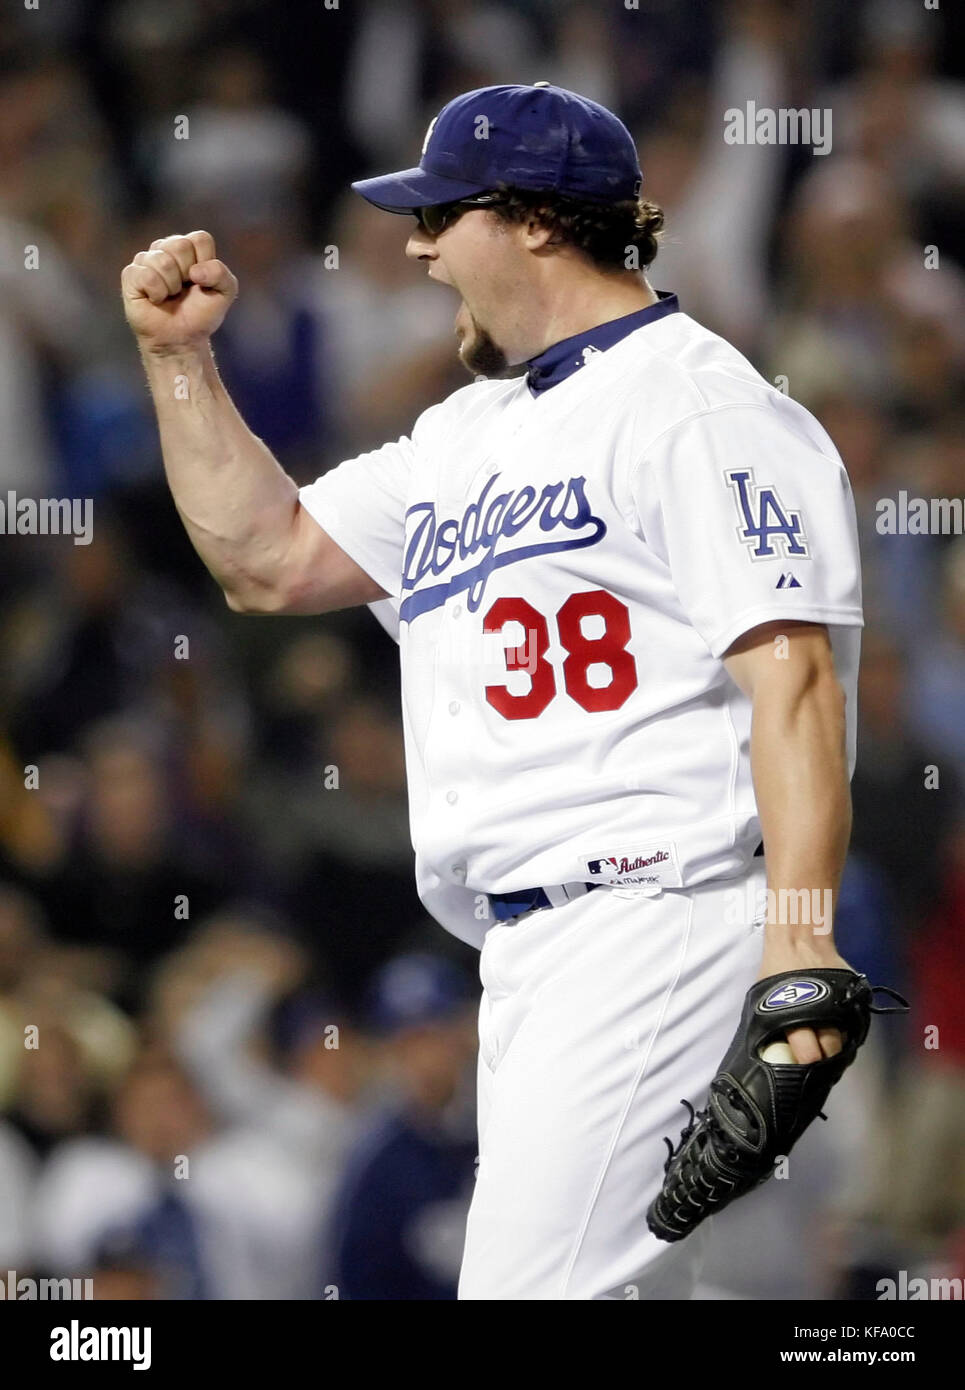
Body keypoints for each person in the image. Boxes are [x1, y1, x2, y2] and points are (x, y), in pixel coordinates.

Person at [122, 83, 862, 1300]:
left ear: (531, 220)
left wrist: (800, 936)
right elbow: (266, 558)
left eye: (440, 213)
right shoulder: (465, 434)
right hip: (525, 947)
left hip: (653, 905)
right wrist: (179, 359)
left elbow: (790, 677)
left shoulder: (696, 400)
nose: (415, 245)